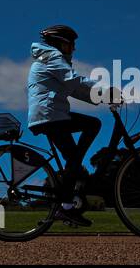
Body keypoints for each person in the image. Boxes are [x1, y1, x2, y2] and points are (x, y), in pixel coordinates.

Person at [27, 24, 105, 226]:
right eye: (72, 45)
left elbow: (74, 89)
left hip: (52, 114)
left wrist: (101, 97)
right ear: (61, 43)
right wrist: (104, 92)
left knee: (74, 163)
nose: (74, 49)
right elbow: (73, 81)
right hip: (50, 115)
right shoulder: (51, 57)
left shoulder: (50, 59)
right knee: (93, 124)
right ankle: (67, 195)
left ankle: (67, 208)